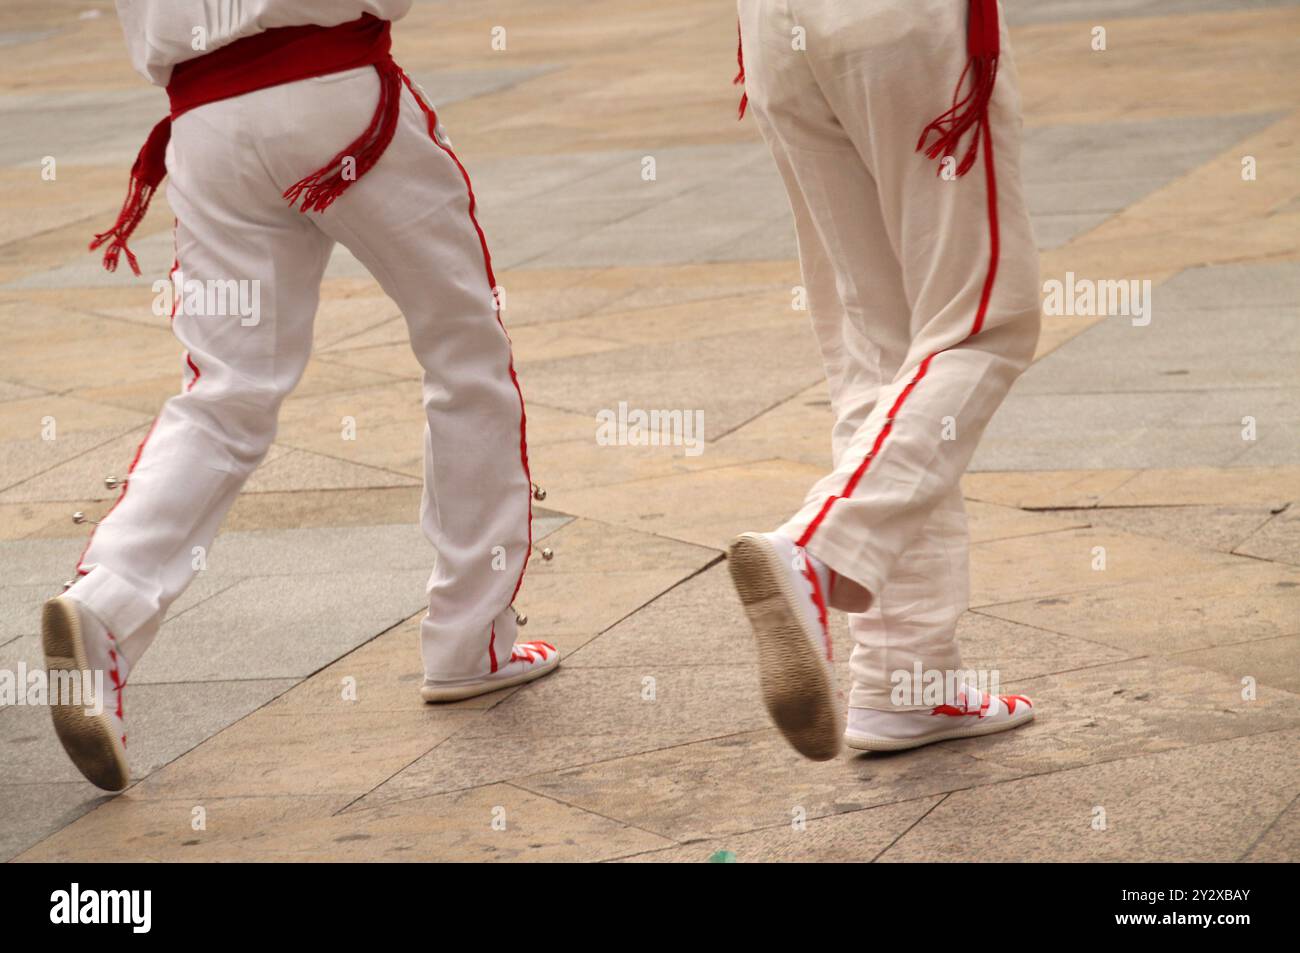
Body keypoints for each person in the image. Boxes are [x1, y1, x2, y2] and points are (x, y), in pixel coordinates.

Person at [42, 0, 558, 793]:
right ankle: (470, 635)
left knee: (223, 395)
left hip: (204, 121)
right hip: (337, 91)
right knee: (465, 353)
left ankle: (105, 603)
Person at [728, 0, 1041, 760]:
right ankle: (818, 546)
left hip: (774, 29)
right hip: (900, 26)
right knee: (980, 324)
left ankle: (904, 682)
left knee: (879, 346)